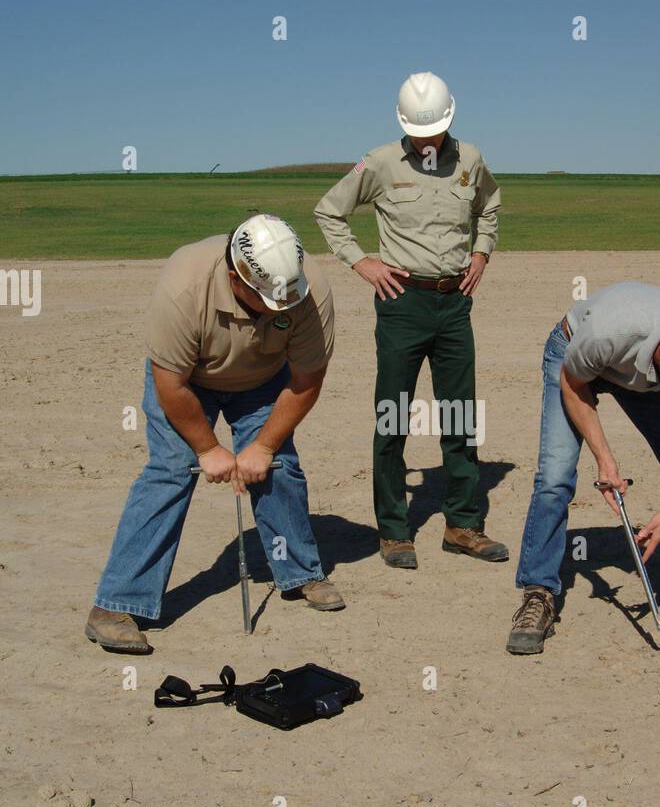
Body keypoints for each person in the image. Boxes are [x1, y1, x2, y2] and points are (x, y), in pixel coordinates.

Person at [85, 214, 342, 654]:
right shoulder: (185, 285)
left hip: (263, 378)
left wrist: (261, 446)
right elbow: (170, 385)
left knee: (279, 465)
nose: (278, 305)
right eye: (265, 298)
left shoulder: (308, 288)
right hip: (189, 379)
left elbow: (306, 381)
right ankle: (116, 605)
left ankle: (299, 573)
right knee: (170, 470)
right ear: (234, 277)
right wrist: (207, 448)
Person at [314, 71, 508, 569]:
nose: (429, 139)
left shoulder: (471, 159)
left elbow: (489, 208)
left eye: (436, 129)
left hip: (454, 302)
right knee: (392, 415)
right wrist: (362, 261)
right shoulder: (378, 162)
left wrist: (482, 253)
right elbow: (328, 211)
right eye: (420, 131)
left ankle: (463, 525)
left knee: (461, 415)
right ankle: (395, 531)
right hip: (402, 302)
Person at [507, 282, 660, 655]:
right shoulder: (610, 331)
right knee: (555, 477)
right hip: (575, 356)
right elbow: (573, 383)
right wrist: (605, 458)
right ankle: (539, 592)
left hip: (644, 373)